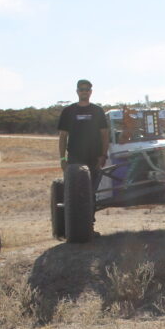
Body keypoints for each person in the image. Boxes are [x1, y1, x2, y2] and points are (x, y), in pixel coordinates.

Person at [57, 79, 109, 232]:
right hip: (74, 159)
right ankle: (71, 228)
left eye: (87, 89)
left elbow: (104, 135)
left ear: (91, 92)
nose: (84, 92)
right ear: (77, 91)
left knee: (90, 193)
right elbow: (63, 136)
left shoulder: (97, 111)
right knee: (74, 192)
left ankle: (88, 227)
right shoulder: (68, 111)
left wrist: (103, 155)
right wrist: (62, 158)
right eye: (81, 89)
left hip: (94, 158)